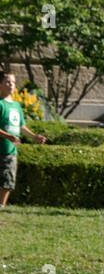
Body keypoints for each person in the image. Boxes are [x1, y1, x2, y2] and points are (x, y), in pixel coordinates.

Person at [0, 72, 48, 207]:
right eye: (8, 82)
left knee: (8, 181)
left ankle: (1, 206)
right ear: (0, 85)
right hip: (1, 147)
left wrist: (34, 137)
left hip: (10, 151)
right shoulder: (0, 104)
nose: (11, 85)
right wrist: (8, 136)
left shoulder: (16, 106)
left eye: (13, 82)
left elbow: (21, 126)